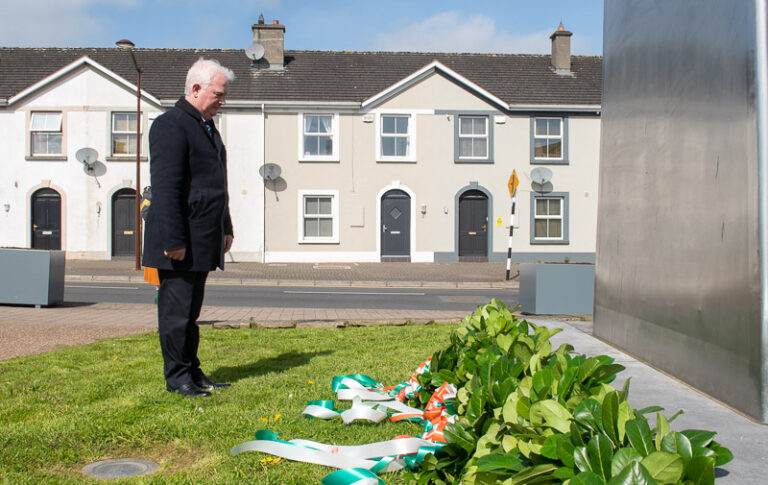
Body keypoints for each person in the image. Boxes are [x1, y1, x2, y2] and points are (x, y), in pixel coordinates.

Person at [142, 58, 235, 398]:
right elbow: (166, 187)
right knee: (176, 314)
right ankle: (178, 378)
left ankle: (193, 371)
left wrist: (225, 226)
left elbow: (215, 186)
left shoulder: (206, 128)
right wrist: (174, 239)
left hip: (203, 238)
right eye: (219, 94)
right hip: (180, 241)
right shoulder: (171, 125)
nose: (222, 101)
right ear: (196, 89)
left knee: (191, 314)